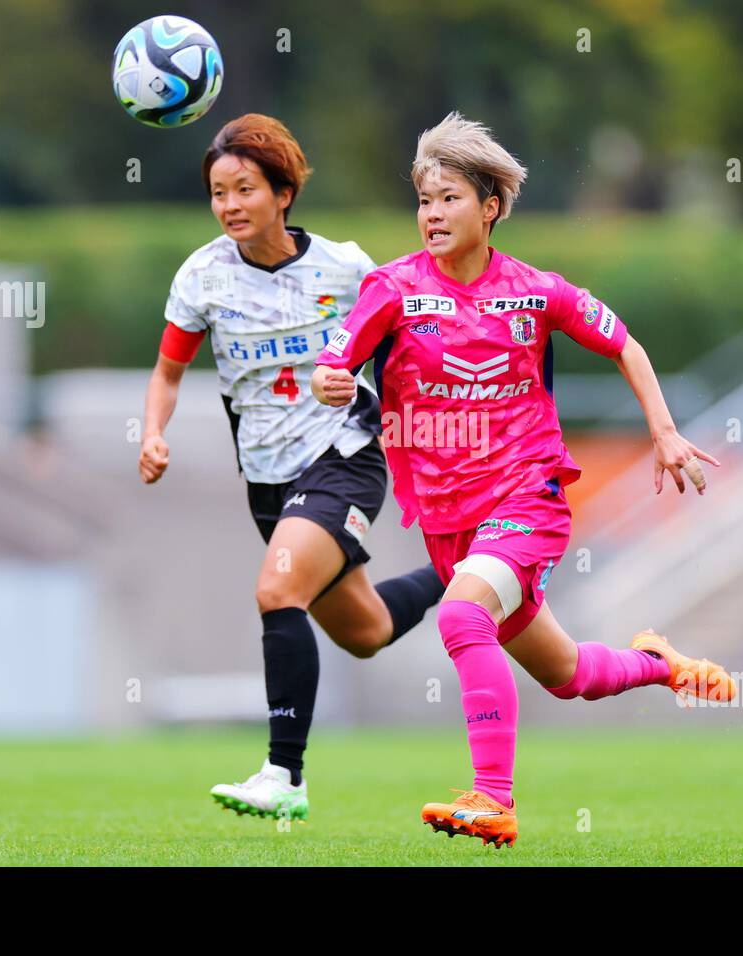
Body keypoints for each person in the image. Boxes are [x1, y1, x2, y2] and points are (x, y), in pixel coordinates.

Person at [311, 112, 735, 847]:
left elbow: (625, 344)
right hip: (449, 524)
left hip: (525, 498)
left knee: (459, 618)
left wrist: (664, 432)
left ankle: (493, 799)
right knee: (567, 673)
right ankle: (661, 665)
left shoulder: (538, 293)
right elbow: (333, 367)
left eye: (449, 198)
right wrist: (330, 384)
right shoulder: (391, 289)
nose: (432, 214)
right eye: (423, 199)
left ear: (491, 207)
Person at [140, 113, 444, 822]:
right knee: (364, 631)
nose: (230, 206)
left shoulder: (346, 268)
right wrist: (153, 432)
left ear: (284, 192)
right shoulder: (202, 277)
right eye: (218, 193)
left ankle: (285, 774)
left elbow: (409, 356)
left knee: (278, 591)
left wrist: (370, 387)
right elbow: (167, 373)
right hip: (269, 481)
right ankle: (469, 569)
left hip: (345, 456)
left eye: (244, 188)